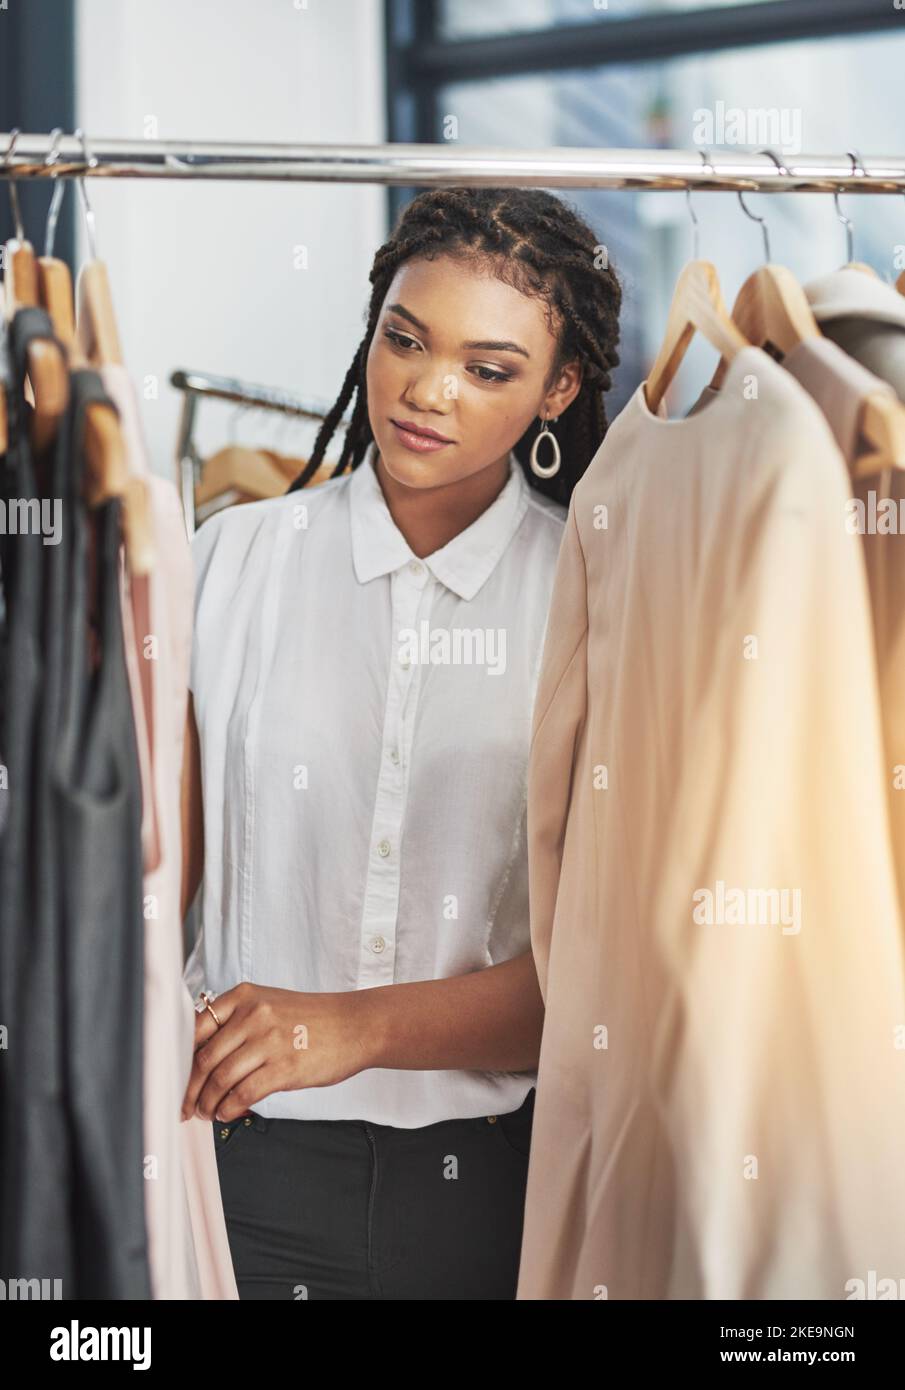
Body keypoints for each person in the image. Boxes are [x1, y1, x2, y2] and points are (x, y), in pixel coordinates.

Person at [178, 186, 621, 1300]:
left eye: (488, 367)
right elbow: (149, 896)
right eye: (404, 339)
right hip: (231, 1176)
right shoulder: (224, 564)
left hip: (492, 1199)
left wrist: (355, 1026)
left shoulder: (598, 600)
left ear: (557, 388)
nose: (426, 390)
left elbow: (605, 970)